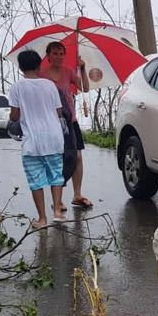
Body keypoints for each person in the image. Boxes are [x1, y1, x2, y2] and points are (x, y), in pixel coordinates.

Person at [9, 50, 68, 229]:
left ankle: (42, 219)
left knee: (36, 181)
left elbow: (15, 115)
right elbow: (58, 112)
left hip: (32, 142)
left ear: (20, 67)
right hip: (54, 138)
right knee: (56, 176)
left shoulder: (17, 87)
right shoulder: (50, 85)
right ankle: (57, 211)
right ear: (39, 65)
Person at [43, 41, 93, 210]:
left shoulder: (68, 72)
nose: (59, 56)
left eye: (61, 53)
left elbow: (85, 88)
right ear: (48, 56)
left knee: (77, 157)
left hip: (71, 122)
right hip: (52, 123)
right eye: (55, 53)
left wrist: (83, 69)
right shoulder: (42, 76)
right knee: (57, 159)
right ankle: (57, 199)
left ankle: (77, 194)